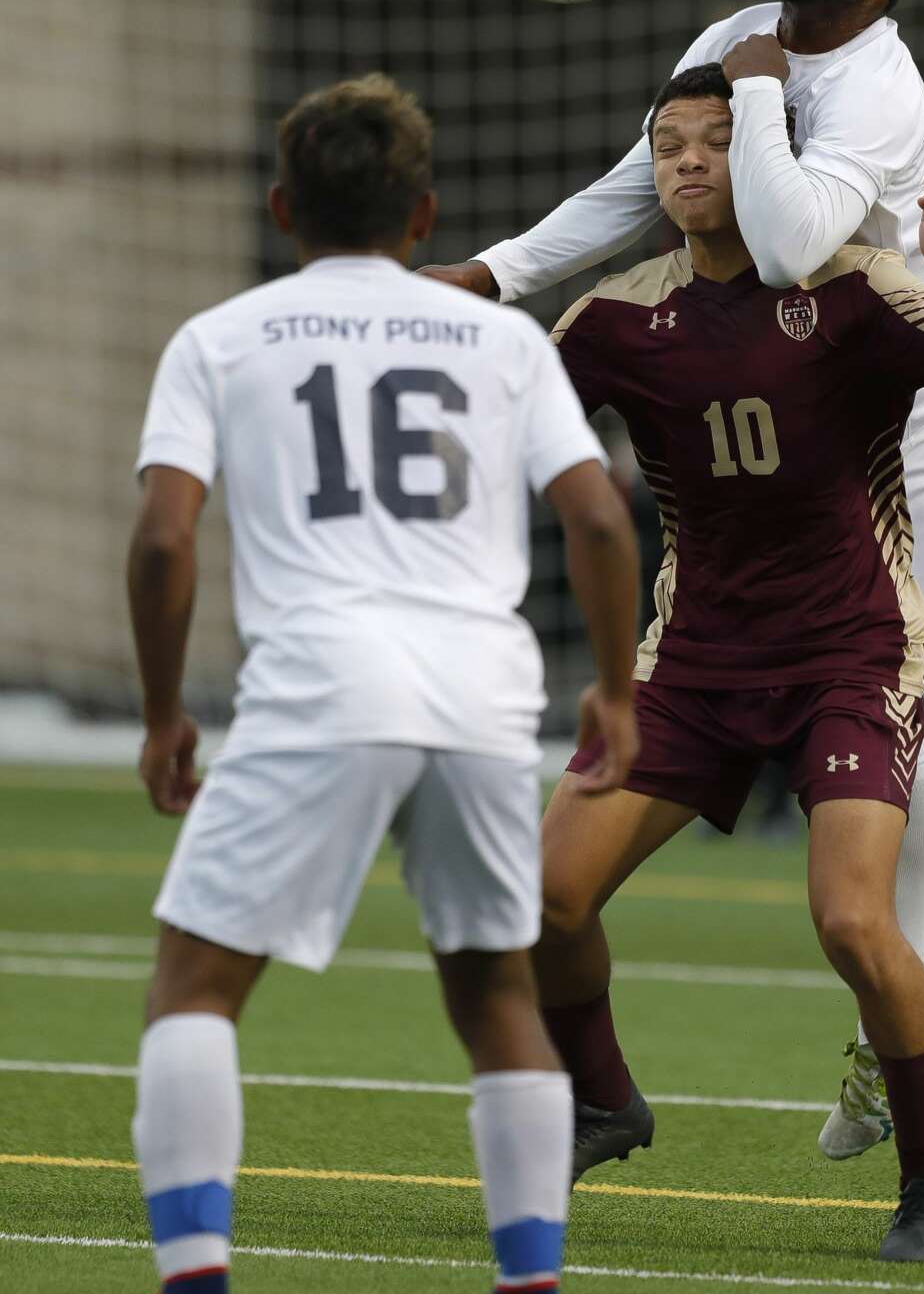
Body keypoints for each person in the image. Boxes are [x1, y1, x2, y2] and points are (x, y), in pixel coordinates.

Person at [423, 0, 924, 1151]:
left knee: (900, 645)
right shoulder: (727, 45)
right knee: (914, 656)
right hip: (759, 391)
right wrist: (496, 271)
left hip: (879, 388)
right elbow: (641, 187)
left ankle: (906, 1000)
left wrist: (754, 89)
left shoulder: (875, 87)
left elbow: (800, 241)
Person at [125, 73, 641, 1294]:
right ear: (424, 216)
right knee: (494, 991)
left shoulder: (224, 336)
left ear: (279, 207)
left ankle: (194, 1277)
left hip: (322, 682)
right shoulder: (505, 337)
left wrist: (161, 713)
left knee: (195, 985)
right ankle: (531, 1279)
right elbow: (603, 523)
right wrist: (615, 689)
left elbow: (161, 538)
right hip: (478, 689)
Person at [532, 63, 924, 1262]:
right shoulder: (617, 317)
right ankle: (606, 1099)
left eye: (717, 139)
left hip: (848, 654)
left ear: (767, 164)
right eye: (670, 146)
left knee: (854, 925)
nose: (692, 161)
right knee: (544, 895)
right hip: (696, 662)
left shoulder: (856, 289)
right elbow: (501, 419)